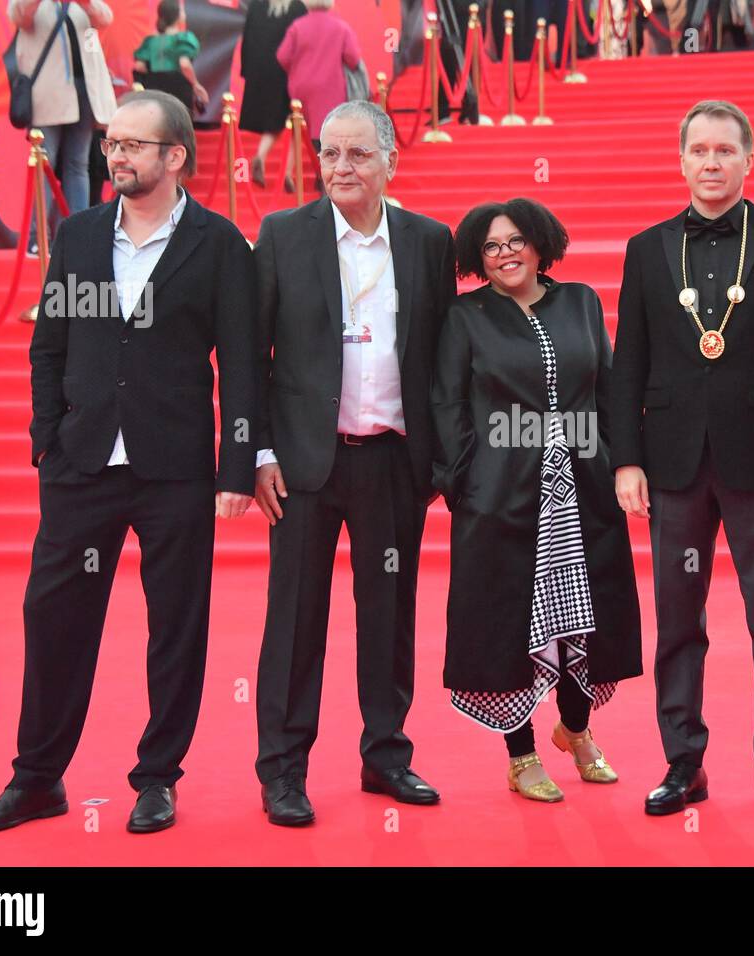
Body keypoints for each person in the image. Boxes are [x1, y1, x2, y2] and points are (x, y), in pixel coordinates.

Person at [0, 90, 258, 835]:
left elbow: (244, 365)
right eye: (111, 143)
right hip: (83, 464)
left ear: (174, 156)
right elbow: (50, 346)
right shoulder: (81, 236)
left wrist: (235, 467)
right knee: (54, 617)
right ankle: (36, 780)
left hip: (175, 468)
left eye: (132, 144)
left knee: (176, 629)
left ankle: (157, 777)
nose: (114, 155)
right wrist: (47, 437)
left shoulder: (219, 245)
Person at [609, 100, 754, 819]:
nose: (711, 162)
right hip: (672, 465)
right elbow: (628, 363)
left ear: (749, 159)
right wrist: (626, 460)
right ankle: (684, 763)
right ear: (681, 161)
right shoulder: (646, 249)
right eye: (699, 151)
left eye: (724, 151)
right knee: (678, 620)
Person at [252, 100, 455, 826]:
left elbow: (442, 355)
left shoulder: (430, 242)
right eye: (331, 153)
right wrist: (258, 451)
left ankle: (387, 755)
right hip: (305, 466)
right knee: (296, 619)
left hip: (393, 462)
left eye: (359, 154)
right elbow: (251, 356)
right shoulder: (281, 235)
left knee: (390, 615)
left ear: (390, 162)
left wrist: (441, 457)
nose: (342, 167)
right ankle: (282, 769)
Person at [432, 199, 642, 802]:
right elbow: (447, 404)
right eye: (492, 246)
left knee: (585, 622)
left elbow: (607, 386)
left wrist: (615, 460)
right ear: (478, 256)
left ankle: (575, 729)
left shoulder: (578, 301)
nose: (505, 255)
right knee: (513, 623)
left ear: (540, 243)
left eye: (516, 241)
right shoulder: (465, 315)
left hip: (583, 487)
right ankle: (521, 755)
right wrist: (464, 480)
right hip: (501, 495)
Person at [7, 0, 117, 253]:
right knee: (45, 164)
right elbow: (20, 16)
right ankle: (38, 237)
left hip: (85, 93)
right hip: (49, 96)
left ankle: (78, 235)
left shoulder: (80, 6)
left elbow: (105, 19)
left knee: (78, 164)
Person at [276, 0, 360, 158]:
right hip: (331, 85)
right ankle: (324, 171)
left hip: (301, 86)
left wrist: (295, 70)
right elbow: (353, 58)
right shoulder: (341, 27)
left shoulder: (297, 26)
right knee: (329, 130)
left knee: (300, 127)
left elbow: (283, 56)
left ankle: (296, 170)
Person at [238, 0, 307, 188]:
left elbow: (247, 37)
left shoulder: (256, 6)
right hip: (288, 70)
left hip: (260, 68)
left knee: (276, 119)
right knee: (296, 120)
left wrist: (246, 70)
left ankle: (261, 156)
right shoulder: (297, 8)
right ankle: (287, 173)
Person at [133, 0, 208, 113]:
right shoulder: (183, 38)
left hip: (154, 87)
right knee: (179, 122)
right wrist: (196, 85)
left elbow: (139, 66)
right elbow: (184, 64)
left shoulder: (150, 41)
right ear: (177, 15)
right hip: (178, 87)